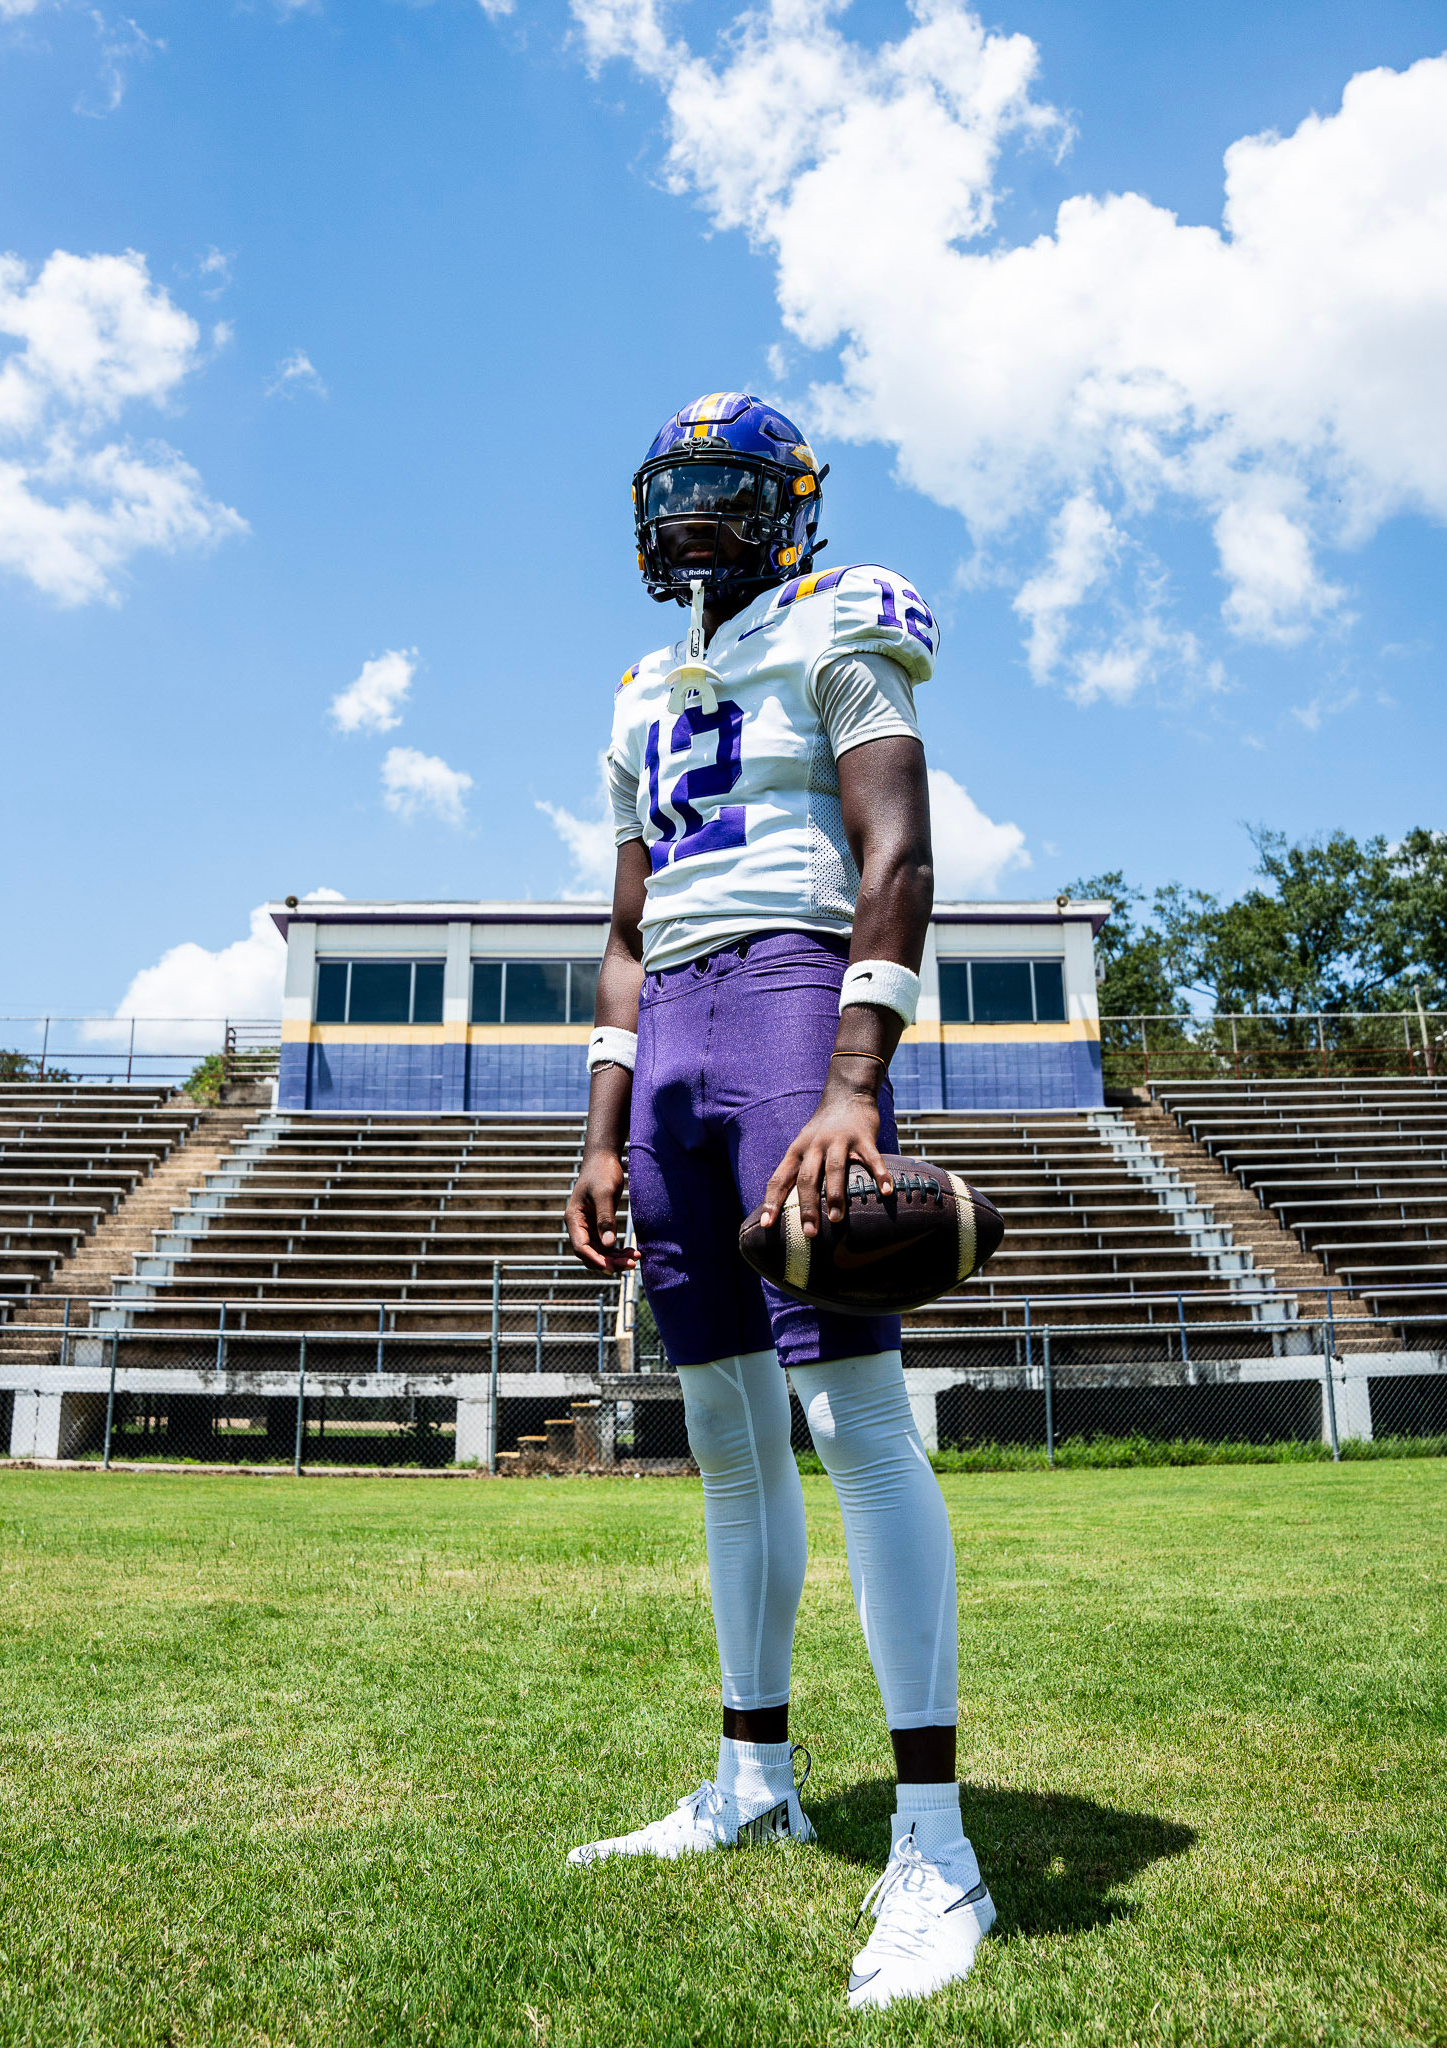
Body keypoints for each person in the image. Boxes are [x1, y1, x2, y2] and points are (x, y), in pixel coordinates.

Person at [563, 391, 994, 2010]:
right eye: (671, 484)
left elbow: (901, 859)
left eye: (724, 487)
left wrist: (853, 1082)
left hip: (793, 1010)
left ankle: (940, 1843)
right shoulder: (635, 694)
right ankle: (754, 1776)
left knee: (855, 1424)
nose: (692, 512)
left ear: (791, 503)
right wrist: (605, 1128)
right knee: (731, 1441)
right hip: (671, 1033)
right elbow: (623, 923)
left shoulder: (844, 621)